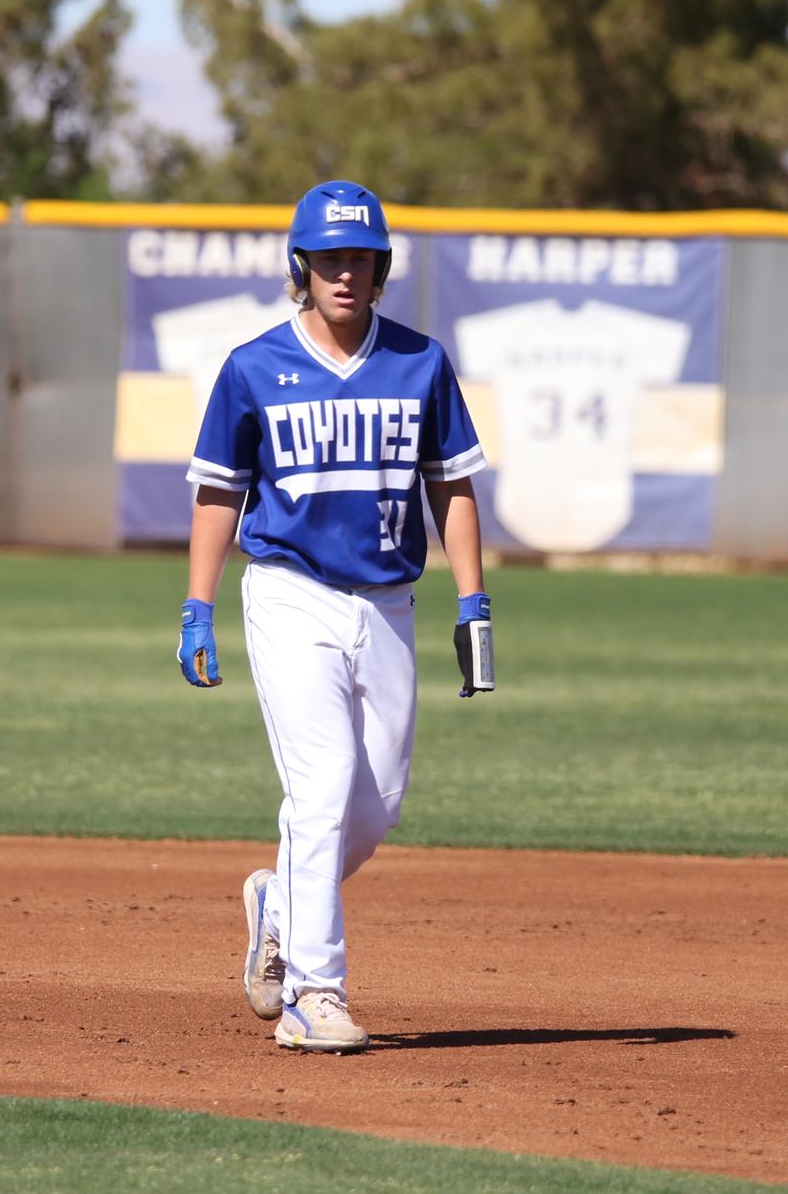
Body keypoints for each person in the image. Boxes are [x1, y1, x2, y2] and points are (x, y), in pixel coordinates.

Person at [176, 179, 493, 1054]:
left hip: (389, 602)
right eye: (329, 258)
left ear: (381, 266)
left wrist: (474, 602)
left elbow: (452, 486)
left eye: (361, 257)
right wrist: (197, 605)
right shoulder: (252, 366)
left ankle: (277, 900)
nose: (345, 274)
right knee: (317, 788)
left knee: (377, 802)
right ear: (301, 267)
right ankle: (314, 994)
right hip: (288, 591)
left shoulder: (420, 362)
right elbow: (217, 492)